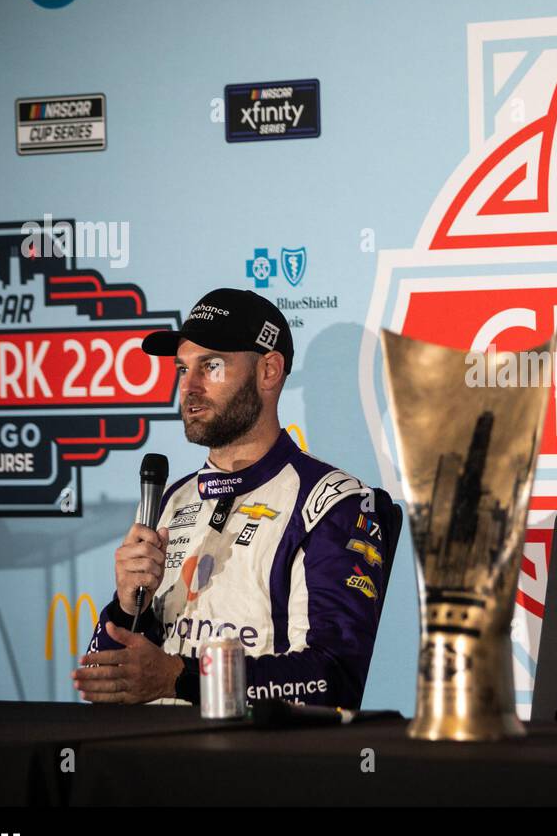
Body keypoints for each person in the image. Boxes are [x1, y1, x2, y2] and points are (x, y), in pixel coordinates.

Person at [73, 288, 391, 708]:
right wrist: (127, 606)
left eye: (212, 365)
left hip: (262, 763)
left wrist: (181, 679)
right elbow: (103, 683)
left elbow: (333, 677)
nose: (189, 386)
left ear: (269, 371)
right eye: (183, 369)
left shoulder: (332, 502)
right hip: (152, 757)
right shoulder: (171, 499)